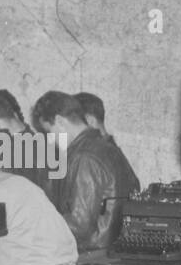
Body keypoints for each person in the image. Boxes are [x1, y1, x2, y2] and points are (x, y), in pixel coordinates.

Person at [32, 90, 142, 253]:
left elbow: (79, 225)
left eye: (49, 132)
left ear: (60, 121)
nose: (50, 140)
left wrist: (34, 230)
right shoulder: (109, 148)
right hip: (114, 251)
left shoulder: (84, 157)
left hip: (92, 256)